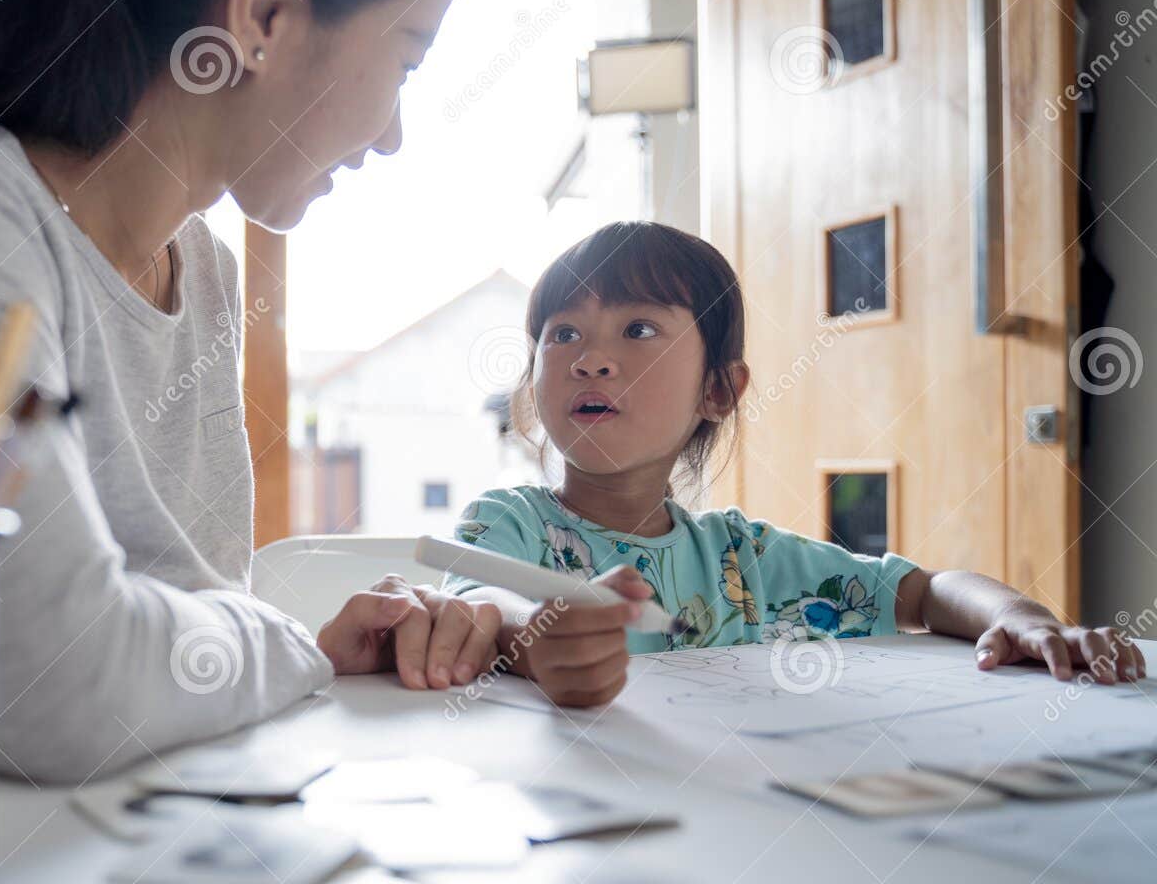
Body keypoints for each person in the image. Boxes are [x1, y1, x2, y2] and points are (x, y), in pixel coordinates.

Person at [0, 0, 498, 781]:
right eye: (407, 60)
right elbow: (52, 684)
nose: (394, 134)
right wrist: (291, 645)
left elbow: (165, 635)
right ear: (264, 16)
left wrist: (324, 648)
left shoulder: (205, 276)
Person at [445, 221, 1147, 707]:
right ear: (532, 387)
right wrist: (534, 634)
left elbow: (924, 591)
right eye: (563, 333)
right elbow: (477, 604)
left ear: (718, 390)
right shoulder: (510, 521)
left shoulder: (743, 560)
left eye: (638, 329)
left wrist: (1026, 619)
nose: (591, 357)